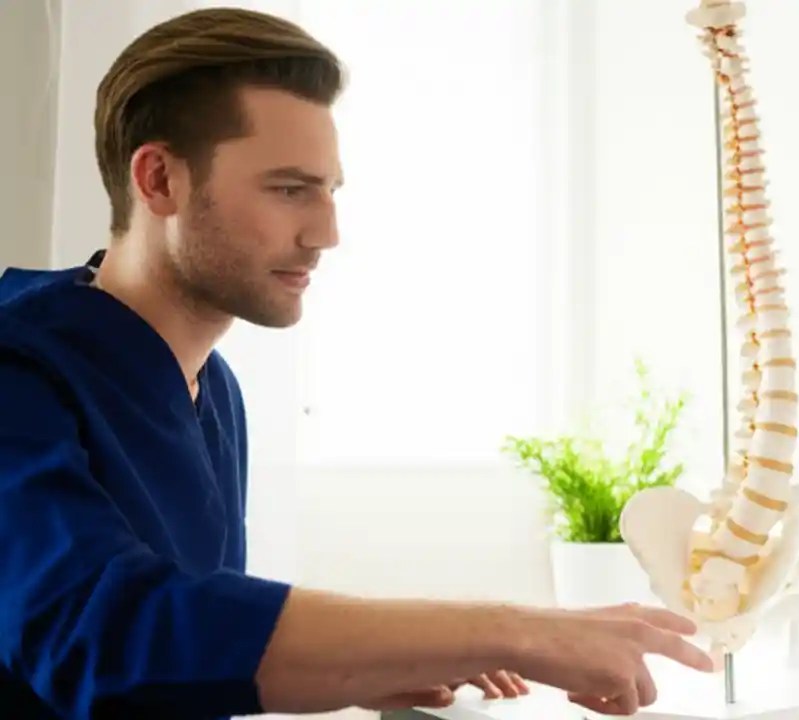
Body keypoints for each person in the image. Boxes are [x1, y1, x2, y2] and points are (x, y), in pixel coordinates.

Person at [0, 8, 712, 719]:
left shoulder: (212, 388)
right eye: (289, 189)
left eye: (330, 190)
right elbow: (100, 634)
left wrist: (371, 669)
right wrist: (512, 629)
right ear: (158, 180)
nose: (326, 233)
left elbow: (181, 663)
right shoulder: (19, 369)